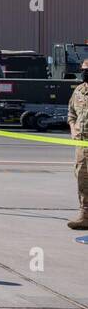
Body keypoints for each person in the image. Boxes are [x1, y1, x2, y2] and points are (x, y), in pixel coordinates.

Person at [67, 59, 88, 231]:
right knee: (82, 179)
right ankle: (85, 216)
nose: (85, 73)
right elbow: (71, 113)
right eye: (83, 70)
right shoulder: (79, 91)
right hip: (82, 145)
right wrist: (73, 128)